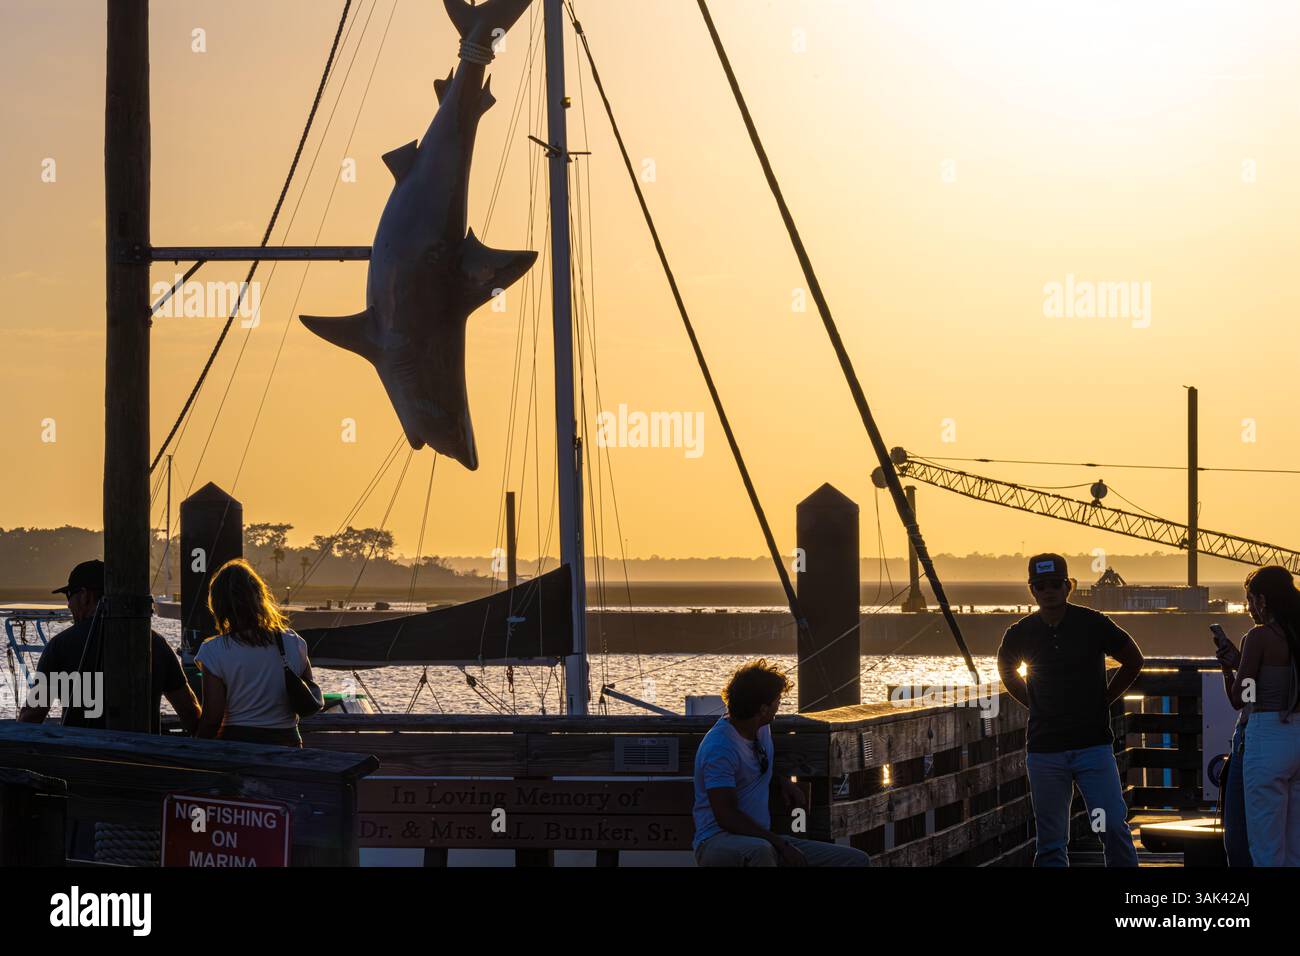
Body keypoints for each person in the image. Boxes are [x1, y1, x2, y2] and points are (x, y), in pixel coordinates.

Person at [996, 553, 1143, 867]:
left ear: (1068, 586)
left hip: (1093, 747)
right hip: (1045, 751)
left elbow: (1133, 659)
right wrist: (1035, 703)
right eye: (1040, 585)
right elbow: (1007, 673)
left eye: (1055, 584)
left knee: (1112, 826)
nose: (1048, 590)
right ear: (1032, 590)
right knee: (1051, 841)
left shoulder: (1092, 623)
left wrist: (1106, 698)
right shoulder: (1019, 632)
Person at [692, 659, 870, 866]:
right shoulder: (720, 748)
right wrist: (781, 844)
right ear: (763, 708)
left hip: (764, 840)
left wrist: (780, 780)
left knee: (855, 860)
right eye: (777, 701)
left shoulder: (760, 728)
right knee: (761, 852)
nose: (779, 706)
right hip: (717, 842)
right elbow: (727, 816)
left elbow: (750, 765)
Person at [18, 559, 200, 734]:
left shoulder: (61, 646)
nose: (68, 604)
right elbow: (190, 712)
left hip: (82, 758)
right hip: (142, 760)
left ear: (85, 595)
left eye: (69, 595)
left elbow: (32, 716)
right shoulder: (156, 644)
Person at [1216, 565, 1300, 866]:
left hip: (1267, 738)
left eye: (1250, 600)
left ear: (1263, 601)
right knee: (1294, 845)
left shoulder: (1260, 637)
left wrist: (1229, 670)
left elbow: (1241, 698)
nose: (1249, 608)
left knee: (1265, 845)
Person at [194, 558, 314, 748]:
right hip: (288, 744)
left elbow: (212, 719)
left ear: (218, 604)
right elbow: (308, 690)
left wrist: (197, 748)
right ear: (261, 598)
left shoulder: (213, 651)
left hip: (238, 745)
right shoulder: (294, 642)